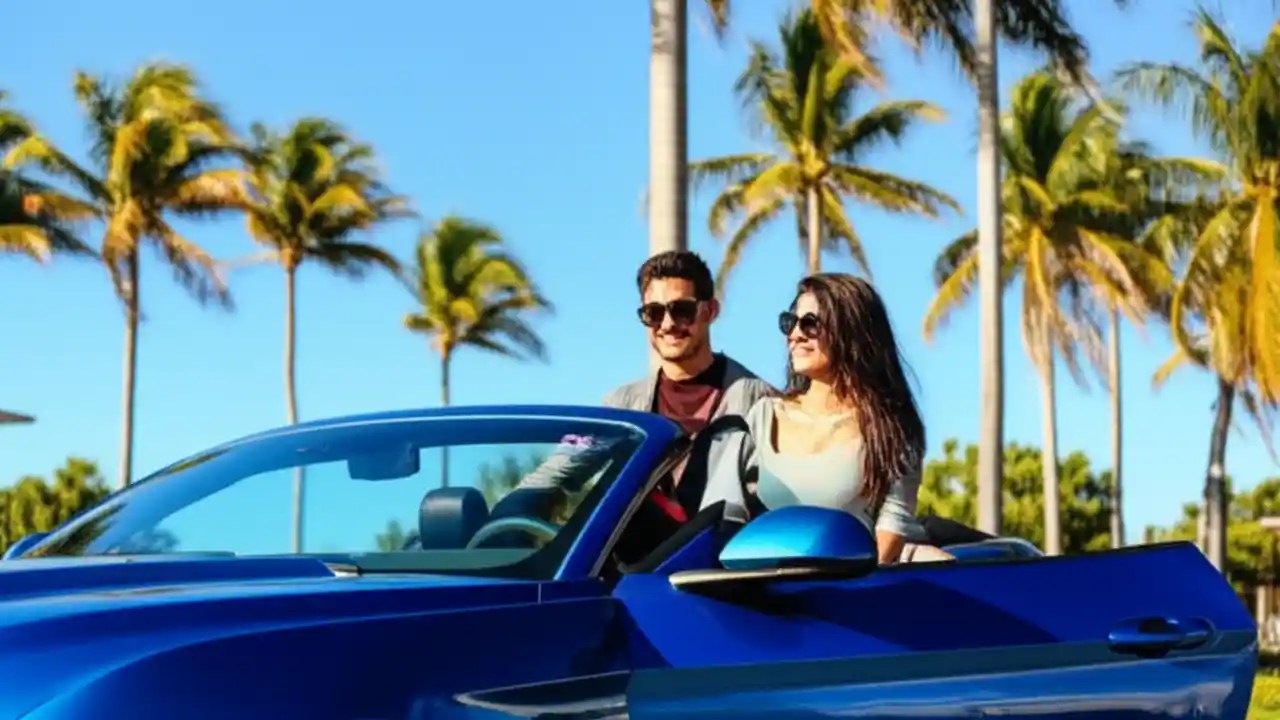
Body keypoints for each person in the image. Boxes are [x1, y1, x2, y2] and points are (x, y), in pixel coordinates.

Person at [514, 251, 774, 524]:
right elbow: (556, 472)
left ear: (710, 311)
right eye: (654, 313)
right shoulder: (622, 405)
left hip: (718, 563)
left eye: (682, 310)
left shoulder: (758, 401)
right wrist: (510, 510)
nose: (668, 324)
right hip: (634, 565)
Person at [738, 273, 946, 565]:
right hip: (760, 592)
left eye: (810, 324)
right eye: (790, 322)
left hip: (848, 593)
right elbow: (732, 516)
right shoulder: (762, 416)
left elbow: (890, 536)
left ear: (851, 331)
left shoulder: (891, 429)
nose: (795, 334)